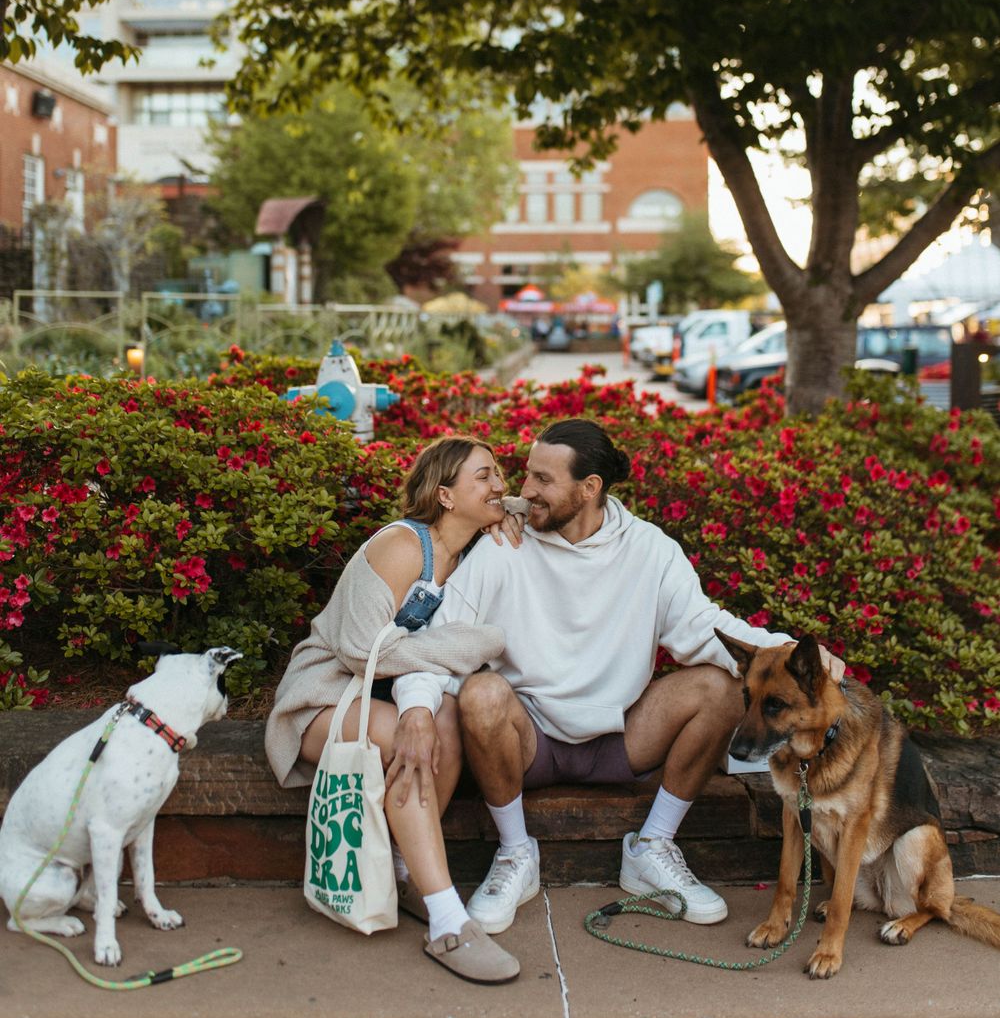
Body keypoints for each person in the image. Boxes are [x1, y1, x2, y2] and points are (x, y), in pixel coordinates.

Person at [393, 418, 846, 936]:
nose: (525, 492)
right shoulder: (502, 547)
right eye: (527, 476)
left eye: (544, 480)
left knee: (721, 686)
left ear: (590, 489)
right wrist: (415, 711)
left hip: (622, 739)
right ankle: (516, 853)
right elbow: (438, 643)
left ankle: (652, 846)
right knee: (480, 692)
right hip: (529, 741)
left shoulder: (649, 549)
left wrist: (783, 648)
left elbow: (705, 627)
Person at [265, 434, 520, 983]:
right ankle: (448, 919)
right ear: (446, 495)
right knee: (406, 740)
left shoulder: (470, 556)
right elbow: (362, 651)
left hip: (379, 694)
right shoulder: (404, 545)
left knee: (445, 720)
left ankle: (404, 870)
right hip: (324, 695)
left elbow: (410, 660)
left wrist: (422, 701)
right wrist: (481, 642)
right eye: (484, 476)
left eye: (499, 473)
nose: (500, 484)